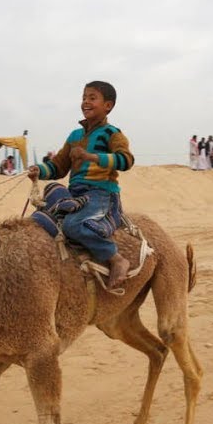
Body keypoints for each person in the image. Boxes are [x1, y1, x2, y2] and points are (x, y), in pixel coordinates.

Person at [27, 80, 134, 289]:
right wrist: (40, 171)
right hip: (75, 193)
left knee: (72, 225)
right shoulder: (75, 136)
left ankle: (116, 259)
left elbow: (126, 160)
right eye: (84, 98)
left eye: (92, 98)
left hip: (101, 193)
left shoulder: (112, 133)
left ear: (108, 105)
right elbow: (59, 166)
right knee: (41, 217)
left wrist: (92, 157)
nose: (85, 102)